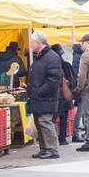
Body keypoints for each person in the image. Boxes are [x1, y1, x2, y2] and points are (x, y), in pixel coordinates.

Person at [26, 31, 64, 160]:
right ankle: (44, 149)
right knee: (40, 123)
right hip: (39, 97)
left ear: (38, 43)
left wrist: (39, 92)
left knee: (45, 122)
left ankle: (52, 149)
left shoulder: (51, 57)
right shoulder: (41, 56)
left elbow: (53, 80)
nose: (30, 45)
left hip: (46, 97)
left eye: (32, 42)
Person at [52, 44, 74, 145]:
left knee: (53, 118)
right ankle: (62, 138)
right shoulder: (66, 65)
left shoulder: (52, 65)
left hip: (55, 95)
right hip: (65, 95)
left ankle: (53, 138)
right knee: (63, 117)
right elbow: (73, 80)